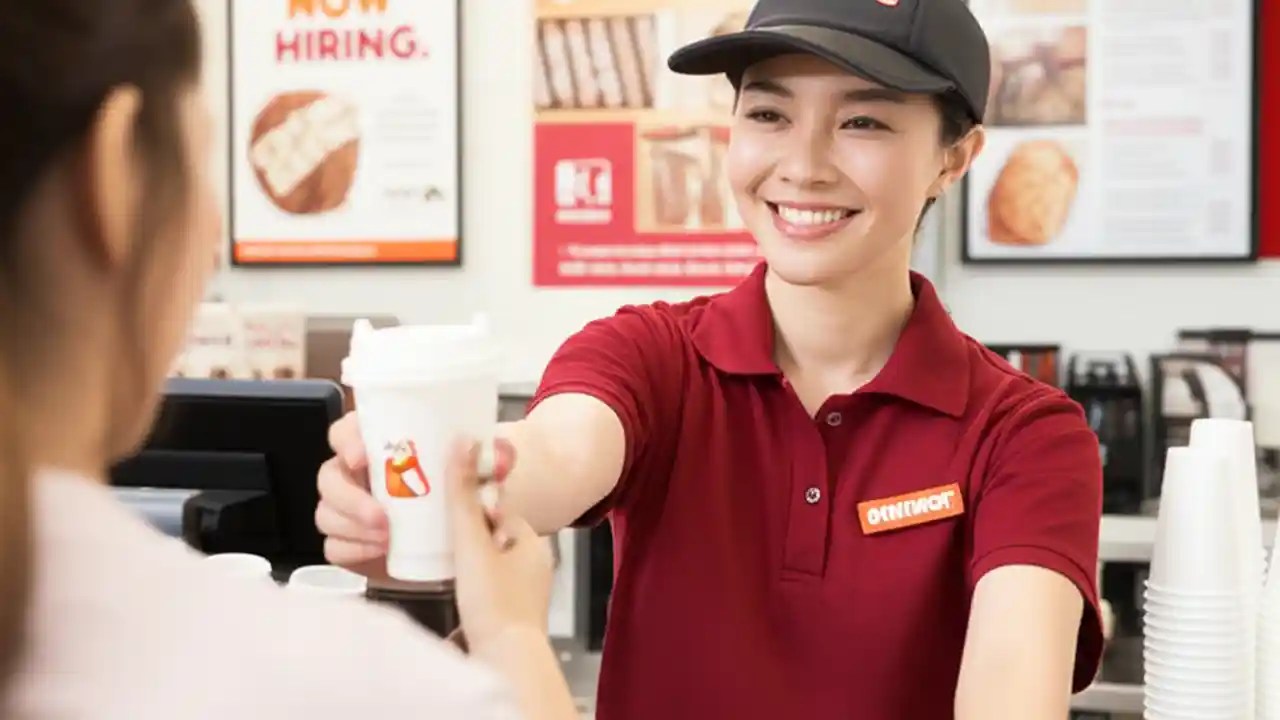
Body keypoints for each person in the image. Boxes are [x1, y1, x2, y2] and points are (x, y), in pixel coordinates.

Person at [318, 0, 1105, 718]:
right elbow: (553, 454)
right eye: (768, 113)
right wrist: (433, 492)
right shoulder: (650, 356)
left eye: (863, 121)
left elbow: (1012, 689)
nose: (803, 164)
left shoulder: (1025, 436)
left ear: (955, 158)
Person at [0, 2, 580, 719]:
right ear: (115, 180)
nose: (213, 240)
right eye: (201, 160)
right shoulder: (366, 691)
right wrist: (513, 636)